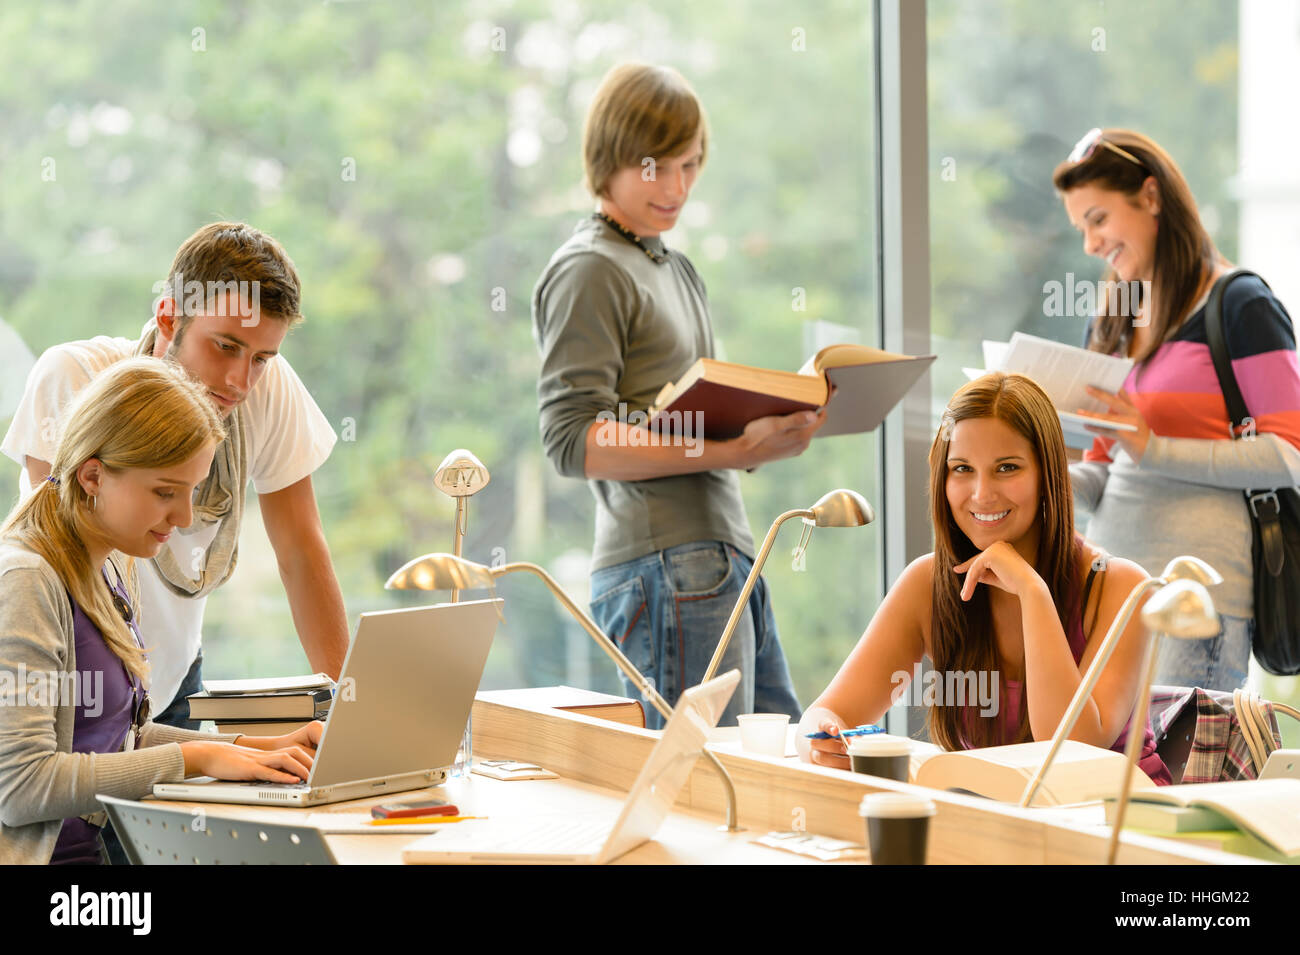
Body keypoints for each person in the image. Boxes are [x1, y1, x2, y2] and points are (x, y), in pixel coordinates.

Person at [531, 63, 824, 728]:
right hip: (667, 563)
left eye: (690, 165)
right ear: (609, 158)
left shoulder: (673, 267)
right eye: (656, 166)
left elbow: (691, 414)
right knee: (701, 788)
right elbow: (573, 440)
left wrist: (762, 436)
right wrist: (725, 445)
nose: (678, 187)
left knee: (766, 776)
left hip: (721, 556)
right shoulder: (589, 268)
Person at [2, 222, 349, 729]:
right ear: (168, 317)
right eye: (225, 346)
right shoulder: (77, 378)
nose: (240, 381)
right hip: (83, 675)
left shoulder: (264, 387)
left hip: (175, 678)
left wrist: (349, 711)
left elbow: (301, 550)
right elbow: (64, 558)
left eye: (261, 358)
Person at [0, 358, 323, 865]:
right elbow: (21, 787)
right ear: (93, 476)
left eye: (191, 490)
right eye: (165, 492)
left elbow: (117, 740)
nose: (185, 516)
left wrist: (253, 748)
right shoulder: (26, 581)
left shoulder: (111, 564)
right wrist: (194, 756)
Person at [797, 373, 1172, 785]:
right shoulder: (928, 583)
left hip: (1116, 827)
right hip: (1001, 823)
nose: (981, 493)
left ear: (1048, 474)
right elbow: (827, 712)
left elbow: (1068, 751)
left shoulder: (1122, 588)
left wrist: (1033, 592)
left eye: (1006, 468)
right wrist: (820, 737)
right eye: (962, 469)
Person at [1055, 128, 1300, 692]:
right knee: (1107, 778)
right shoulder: (1116, 313)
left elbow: (1288, 455)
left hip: (1195, 603)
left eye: (1098, 219)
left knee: (1172, 778)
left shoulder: (1240, 304)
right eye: (1081, 228)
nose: (1090, 244)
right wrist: (1036, 479)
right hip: (1110, 595)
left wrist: (1154, 448)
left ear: (1150, 197)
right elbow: (1109, 467)